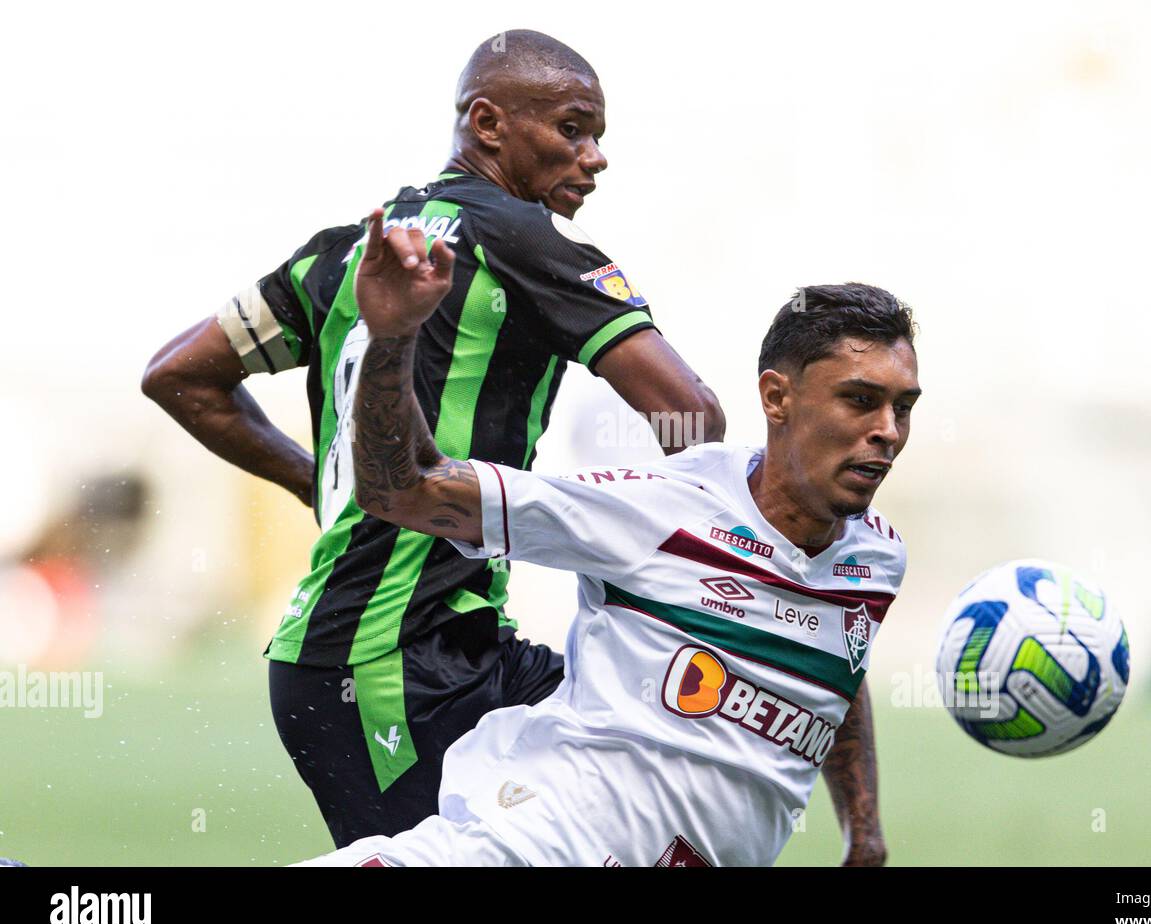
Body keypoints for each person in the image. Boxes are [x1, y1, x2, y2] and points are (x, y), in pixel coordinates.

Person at [140, 30, 724, 848]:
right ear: (487, 123)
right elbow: (692, 419)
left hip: (448, 643)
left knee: (640, 770)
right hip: (385, 660)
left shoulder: (345, 252)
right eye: (572, 128)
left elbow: (177, 376)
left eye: (596, 137)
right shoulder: (523, 241)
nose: (594, 158)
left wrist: (322, 483)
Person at [303, 212, 918, 866]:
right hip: (529, 848)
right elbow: (405, 490)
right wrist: (393, 336)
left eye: (903, 407)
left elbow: (834, 657)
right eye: (860, 400)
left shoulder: (875, 562)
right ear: (777, 397)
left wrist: (865, 831)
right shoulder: (661, 508)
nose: (888, 430)